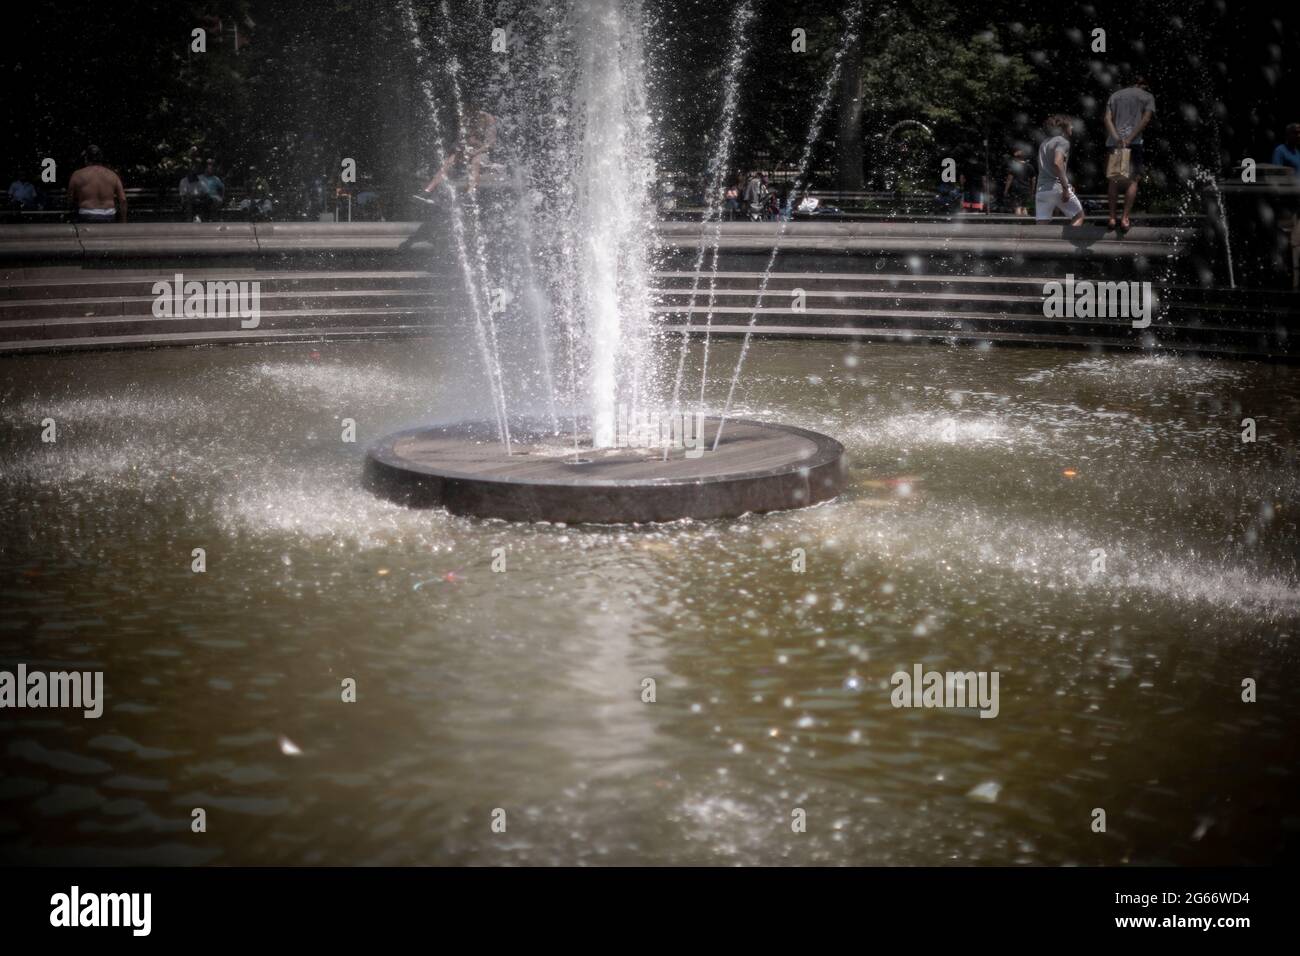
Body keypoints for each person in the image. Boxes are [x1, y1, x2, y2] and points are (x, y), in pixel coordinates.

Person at [1103, 75, 1156, 232]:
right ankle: (1125, 218)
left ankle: (1112, 218)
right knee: (1133, 181)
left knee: (1113, 180)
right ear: (1143, 84)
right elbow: (1145, 120)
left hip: (1114, 143)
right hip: (1134, 143)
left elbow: (1107, 119)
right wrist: (1129, 139)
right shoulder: (1147, 96)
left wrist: (1117, 138)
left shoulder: (1115, 95)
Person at [413, 109, 498, 202]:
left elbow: (490, 144)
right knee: (448, 162)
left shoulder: (488, 119)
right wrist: (461, 150)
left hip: (482, 152)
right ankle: (428, 191)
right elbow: (461, 140)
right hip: (468, 150)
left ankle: (470, 195)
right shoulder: (465, 117)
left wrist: (475, 148)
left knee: (475, 163)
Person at [1035, 115, 1085, 227]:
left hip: (1041, 190)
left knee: (1041, 225)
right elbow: (1057, 163)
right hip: (1057, 188)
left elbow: (1047, 168)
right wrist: (1065, 187)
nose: (1072, 127)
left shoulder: (1044, 143)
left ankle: (1038, 244)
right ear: (1063, 128)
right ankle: (1068, 243)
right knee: (1078, 216)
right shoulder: (1062, 141)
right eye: (1070, 125)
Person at [66, 145, 126, 223]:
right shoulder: (112, 175)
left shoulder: (77, 175)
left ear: (86, 158)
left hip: (86, 214)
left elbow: (70, 198)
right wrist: (123, 220)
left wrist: (70, 214)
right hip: (108, 215)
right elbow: (123, 200)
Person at [1002, 146, 1035, 216]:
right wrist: (1032, 191)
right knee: (1025, 208)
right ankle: (1025, 224)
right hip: (1026, 189)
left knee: (1017, 207)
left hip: (1016, 189)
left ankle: (1017, 223)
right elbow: (1033, 180)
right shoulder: (1030, 166)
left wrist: (1006, 190)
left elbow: (1009, 179)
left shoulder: (1014, 167)